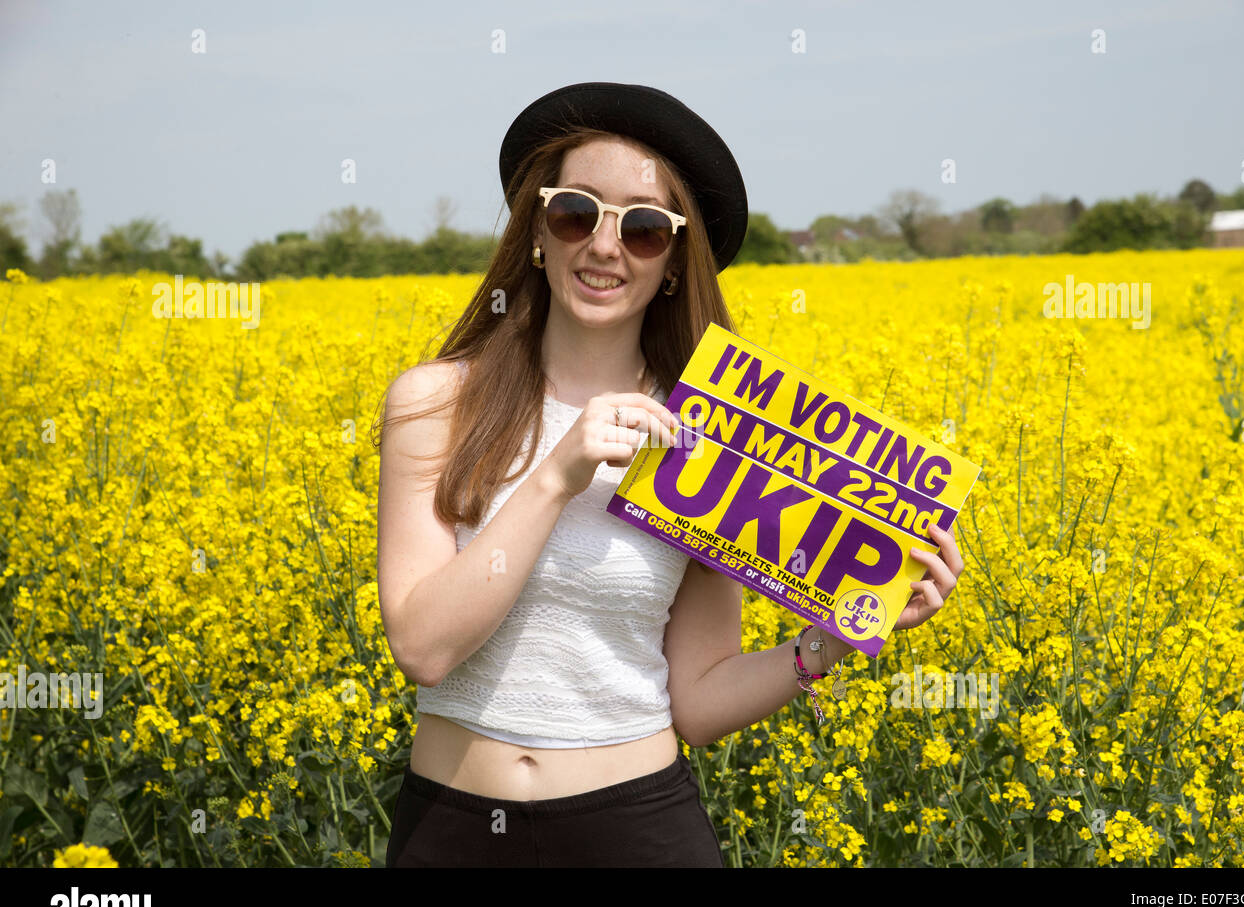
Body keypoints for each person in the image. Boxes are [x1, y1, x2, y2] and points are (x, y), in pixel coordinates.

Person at [375, 82, 964, 867]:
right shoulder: (434, 405)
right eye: (577, 212)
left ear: (675, 264)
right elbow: (423, 647)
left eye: (646, 228)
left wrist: (836, 636)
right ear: (539, 231)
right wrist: (559, 472)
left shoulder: (707, 440)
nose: (606, 245)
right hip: (452, 832)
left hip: (638, 831)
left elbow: (699, 700)